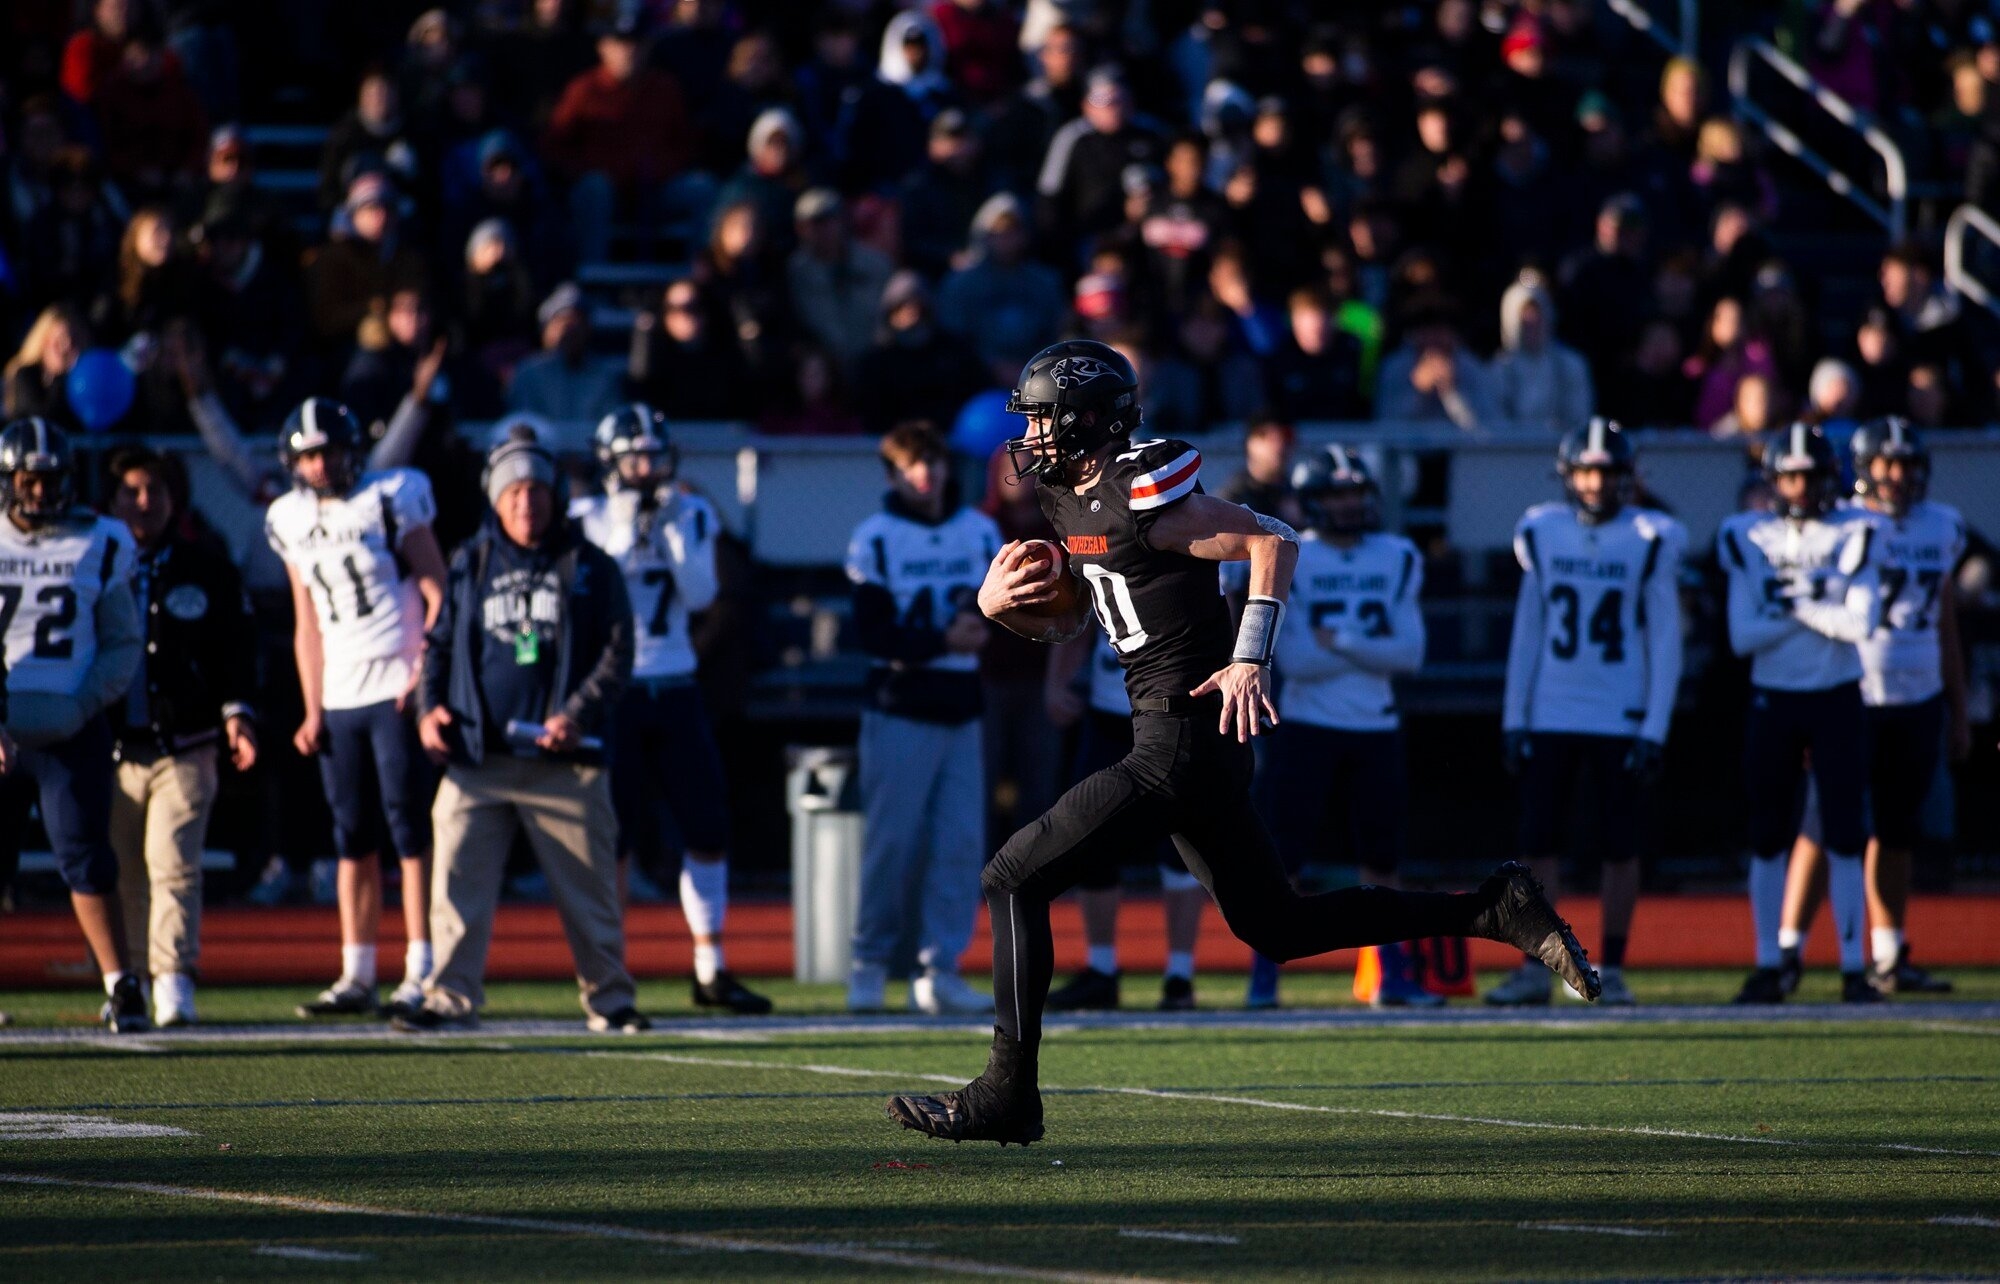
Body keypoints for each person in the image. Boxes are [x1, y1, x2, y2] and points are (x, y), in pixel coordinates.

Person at [886, 340, 1598, 1146]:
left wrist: (1249, 656)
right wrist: (996, 606)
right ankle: (1492, 908)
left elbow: (1275, 543)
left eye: (1045, 420)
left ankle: (1007, 1096)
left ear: (1088, 420)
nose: (1032, 438)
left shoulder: (1141, 486)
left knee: (1013, 877)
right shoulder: (1066, 495)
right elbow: (1085, 616)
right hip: (1185, 737)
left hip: (1179, 738)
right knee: (1279, 927)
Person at [403, 427, 645, 1033]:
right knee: (455, 887)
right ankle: (450, 999)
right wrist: (430, 708)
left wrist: (577, 715)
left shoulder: (591, 565)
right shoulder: (471, 561)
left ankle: (610, 1000)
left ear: (558, 495)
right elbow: (436, 644)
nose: (525, 503)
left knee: (591, 897)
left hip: (564, 762)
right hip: (478, 759)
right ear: (495, 497)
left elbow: (618, 653)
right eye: (513, 492)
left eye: (537, 490)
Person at [570, 406, 771, 1015]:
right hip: (616, 691)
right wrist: (630, 530)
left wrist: (669, 530)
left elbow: (703, 594)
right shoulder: (587, 516)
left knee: (707, 828)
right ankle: (611, 971)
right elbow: (592, 594)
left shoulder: (692, 510)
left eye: (654, 454)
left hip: (678, 682)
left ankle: (710, 966)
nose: (647, 466)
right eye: (635, 455)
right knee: (617, 837)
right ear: (610, 460)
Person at [264, 399, 446, 1019]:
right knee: (351, 838)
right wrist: (311, 709)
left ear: (351, 450)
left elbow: (437, 587)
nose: (320, 466)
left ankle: (422, 966)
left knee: (410, 832)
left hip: (394, 683)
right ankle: (357, 970)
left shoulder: (392, 497)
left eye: (329, 452)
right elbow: (305, 624)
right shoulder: (288, 518)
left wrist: (424, 674)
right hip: (339, 693)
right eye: (309, 455)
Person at [1494, 421, 1684, 1007]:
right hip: (1551, 708)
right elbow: (1529, 629)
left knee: (1620, 847)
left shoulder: (1652, 534)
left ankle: (1615, 965)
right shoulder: (1543, 529)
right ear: (1568, 475)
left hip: (1619, 712)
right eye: (1587, 471)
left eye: (1607, 471)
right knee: (1536, 843)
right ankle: (1535, 968)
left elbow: (1666, 640)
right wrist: (1514, 715)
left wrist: (1654, 725)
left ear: (1627, 477)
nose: (1596, 482)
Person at [1780, 420, 1964, 996]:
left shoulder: (1944, 526)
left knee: (1896, 829)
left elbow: (1947, 624)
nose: (1897, 476)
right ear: (1861, 468)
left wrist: (1957, 709)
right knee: (1821, 826)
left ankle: (1888, 953)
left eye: (1906, 464)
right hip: (1852, 692)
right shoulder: (1844, 528)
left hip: (1917, 696)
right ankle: (1785, 950)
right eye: (1885, 464)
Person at [1250, 445, 1432, 1009]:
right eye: (1336, 494)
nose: (1349, 505)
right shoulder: (1295, 552)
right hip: (1305, 725)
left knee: (1382, 860)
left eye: (1356, 492)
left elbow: (1412, 654)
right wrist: (1368, 651)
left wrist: (1346, 643)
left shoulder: (1397, 553)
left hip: (1375, 725)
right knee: (1284, 860)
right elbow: (1299, 660)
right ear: (1311, 500)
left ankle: (1391, 976)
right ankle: (1265, 977)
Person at [1718, 424, 1880, 1005]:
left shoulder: (1858, 529)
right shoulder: (1749, 534)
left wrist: (1796, 605)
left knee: (1844, 835)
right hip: (1775, 698)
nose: (1799, 486)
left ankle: (1854, 967)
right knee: (1766, 835)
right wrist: (1817, 605)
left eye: (1808, 475)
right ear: (1773, 480)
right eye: (1789, 476)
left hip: (1836, 694)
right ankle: (1769, 961)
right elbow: (1742, 637)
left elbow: (1859, 625)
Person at [844, 423, 1001, 1015]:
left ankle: (939, 968)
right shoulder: (875, 538)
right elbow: (872, 633)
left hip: (961, 706)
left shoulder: (979, 530)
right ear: (892, 474)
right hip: (901, 704)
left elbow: (1007, 611)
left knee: (960, 845)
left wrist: (981, 629)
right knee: (892, 843)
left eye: (932, 460)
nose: (925, 474)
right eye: (912, 464)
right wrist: (944, 638)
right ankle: (869, 962)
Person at [0, 418, 146, 1031]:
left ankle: (121, 984)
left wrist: (83, 703)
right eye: (29, 480)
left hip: (70, 728)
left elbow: (122, 642)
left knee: (88, 861)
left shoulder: (103, 539)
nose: (40, 492)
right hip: (2, 733)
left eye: (50, 479)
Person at [105, 446, 258, 1028]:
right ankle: (131, 981)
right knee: (122, 871)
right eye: (133, 492)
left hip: (186, 740)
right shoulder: (97, 562)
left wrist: (236, 712)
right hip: (116, 746)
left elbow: (236, 650)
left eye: (157, 492)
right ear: (113, 499)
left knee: (173, 863)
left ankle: (172, 978)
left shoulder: (206, 565)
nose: (145, 504)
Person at [1041, 625, 1208, 1012]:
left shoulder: (1206, 562)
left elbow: (1225, 616)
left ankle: (1180, 974)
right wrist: (1056, 682)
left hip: (1175, 711)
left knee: (1181, 844)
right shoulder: (1095, 560)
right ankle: (1102, 968)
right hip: (1108, 715)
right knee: (1089, 839)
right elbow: (1076, 619)